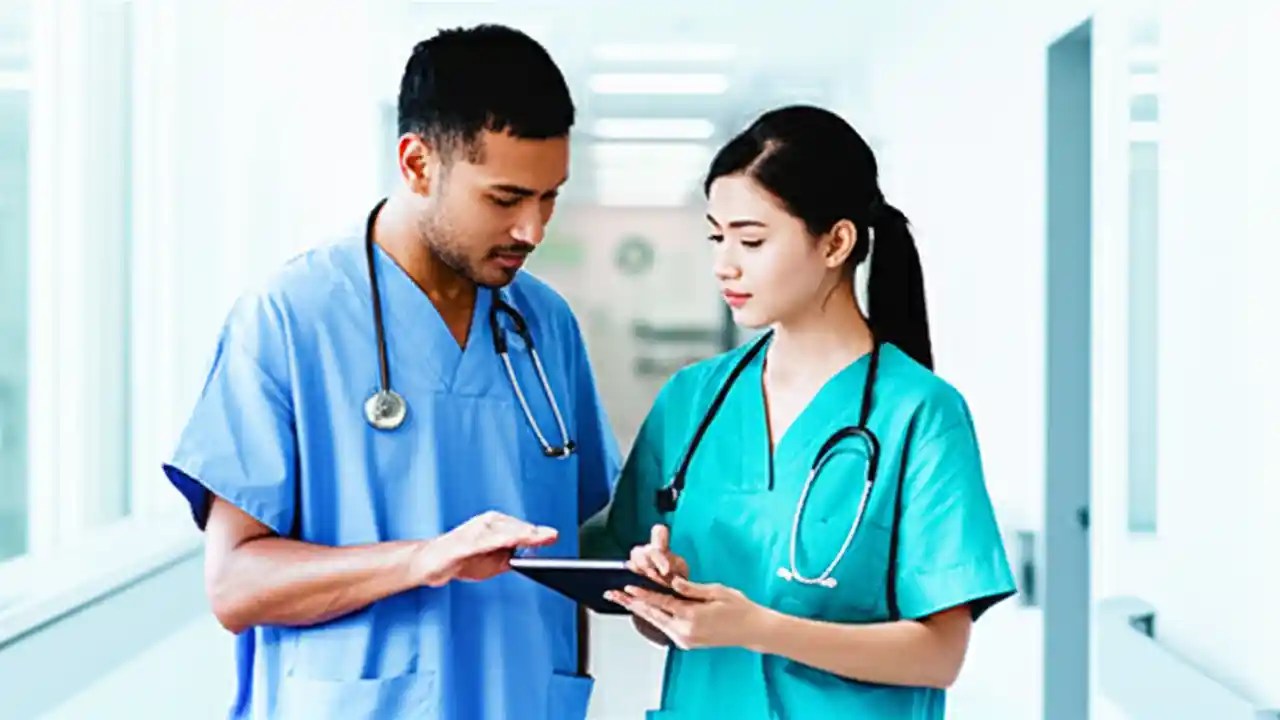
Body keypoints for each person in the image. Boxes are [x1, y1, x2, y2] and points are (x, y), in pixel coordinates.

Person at [162, 25, 619, 720]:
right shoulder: (291, 318)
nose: (533, 229)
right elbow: (235, 586)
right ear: (416, 163)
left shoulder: (544, 324)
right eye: (505, 199)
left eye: (549, 196)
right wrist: (424, 559)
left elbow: (577, 540)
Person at [582, 105, 1017, 718]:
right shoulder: (693, 400)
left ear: (836, 241)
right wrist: (665, 596)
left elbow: (939, 654)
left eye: (751, 240)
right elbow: (656, 617)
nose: (723, 264)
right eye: (717, 236)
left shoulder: (919, 413)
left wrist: (758, 628)